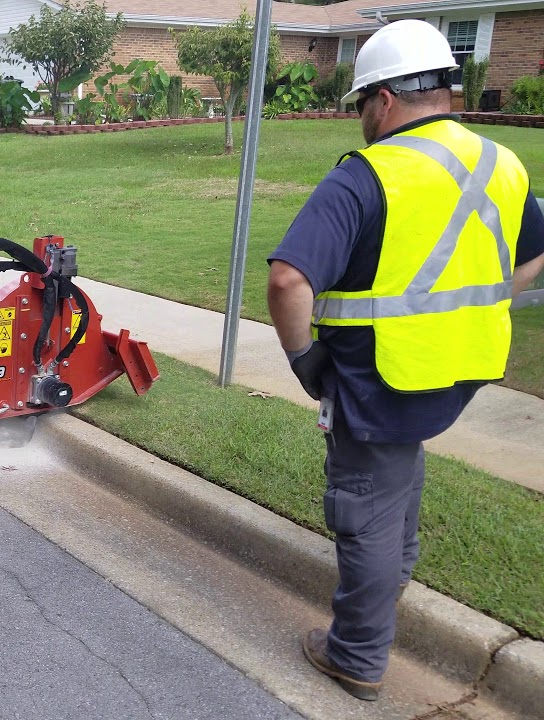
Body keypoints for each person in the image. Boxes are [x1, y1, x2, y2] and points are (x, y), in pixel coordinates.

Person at [266, 19, 544, 702]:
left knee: (364, 507)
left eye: (361, 104)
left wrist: (304, 357)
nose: (361, 119)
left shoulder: (369, 177)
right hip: (463, 369)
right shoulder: (500, 163)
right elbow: (533, 252)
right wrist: (475, 310)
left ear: (383, 100)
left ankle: (357, 654)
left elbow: (287, 281)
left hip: (382, 377)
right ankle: (393, 573)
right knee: (397, 482)